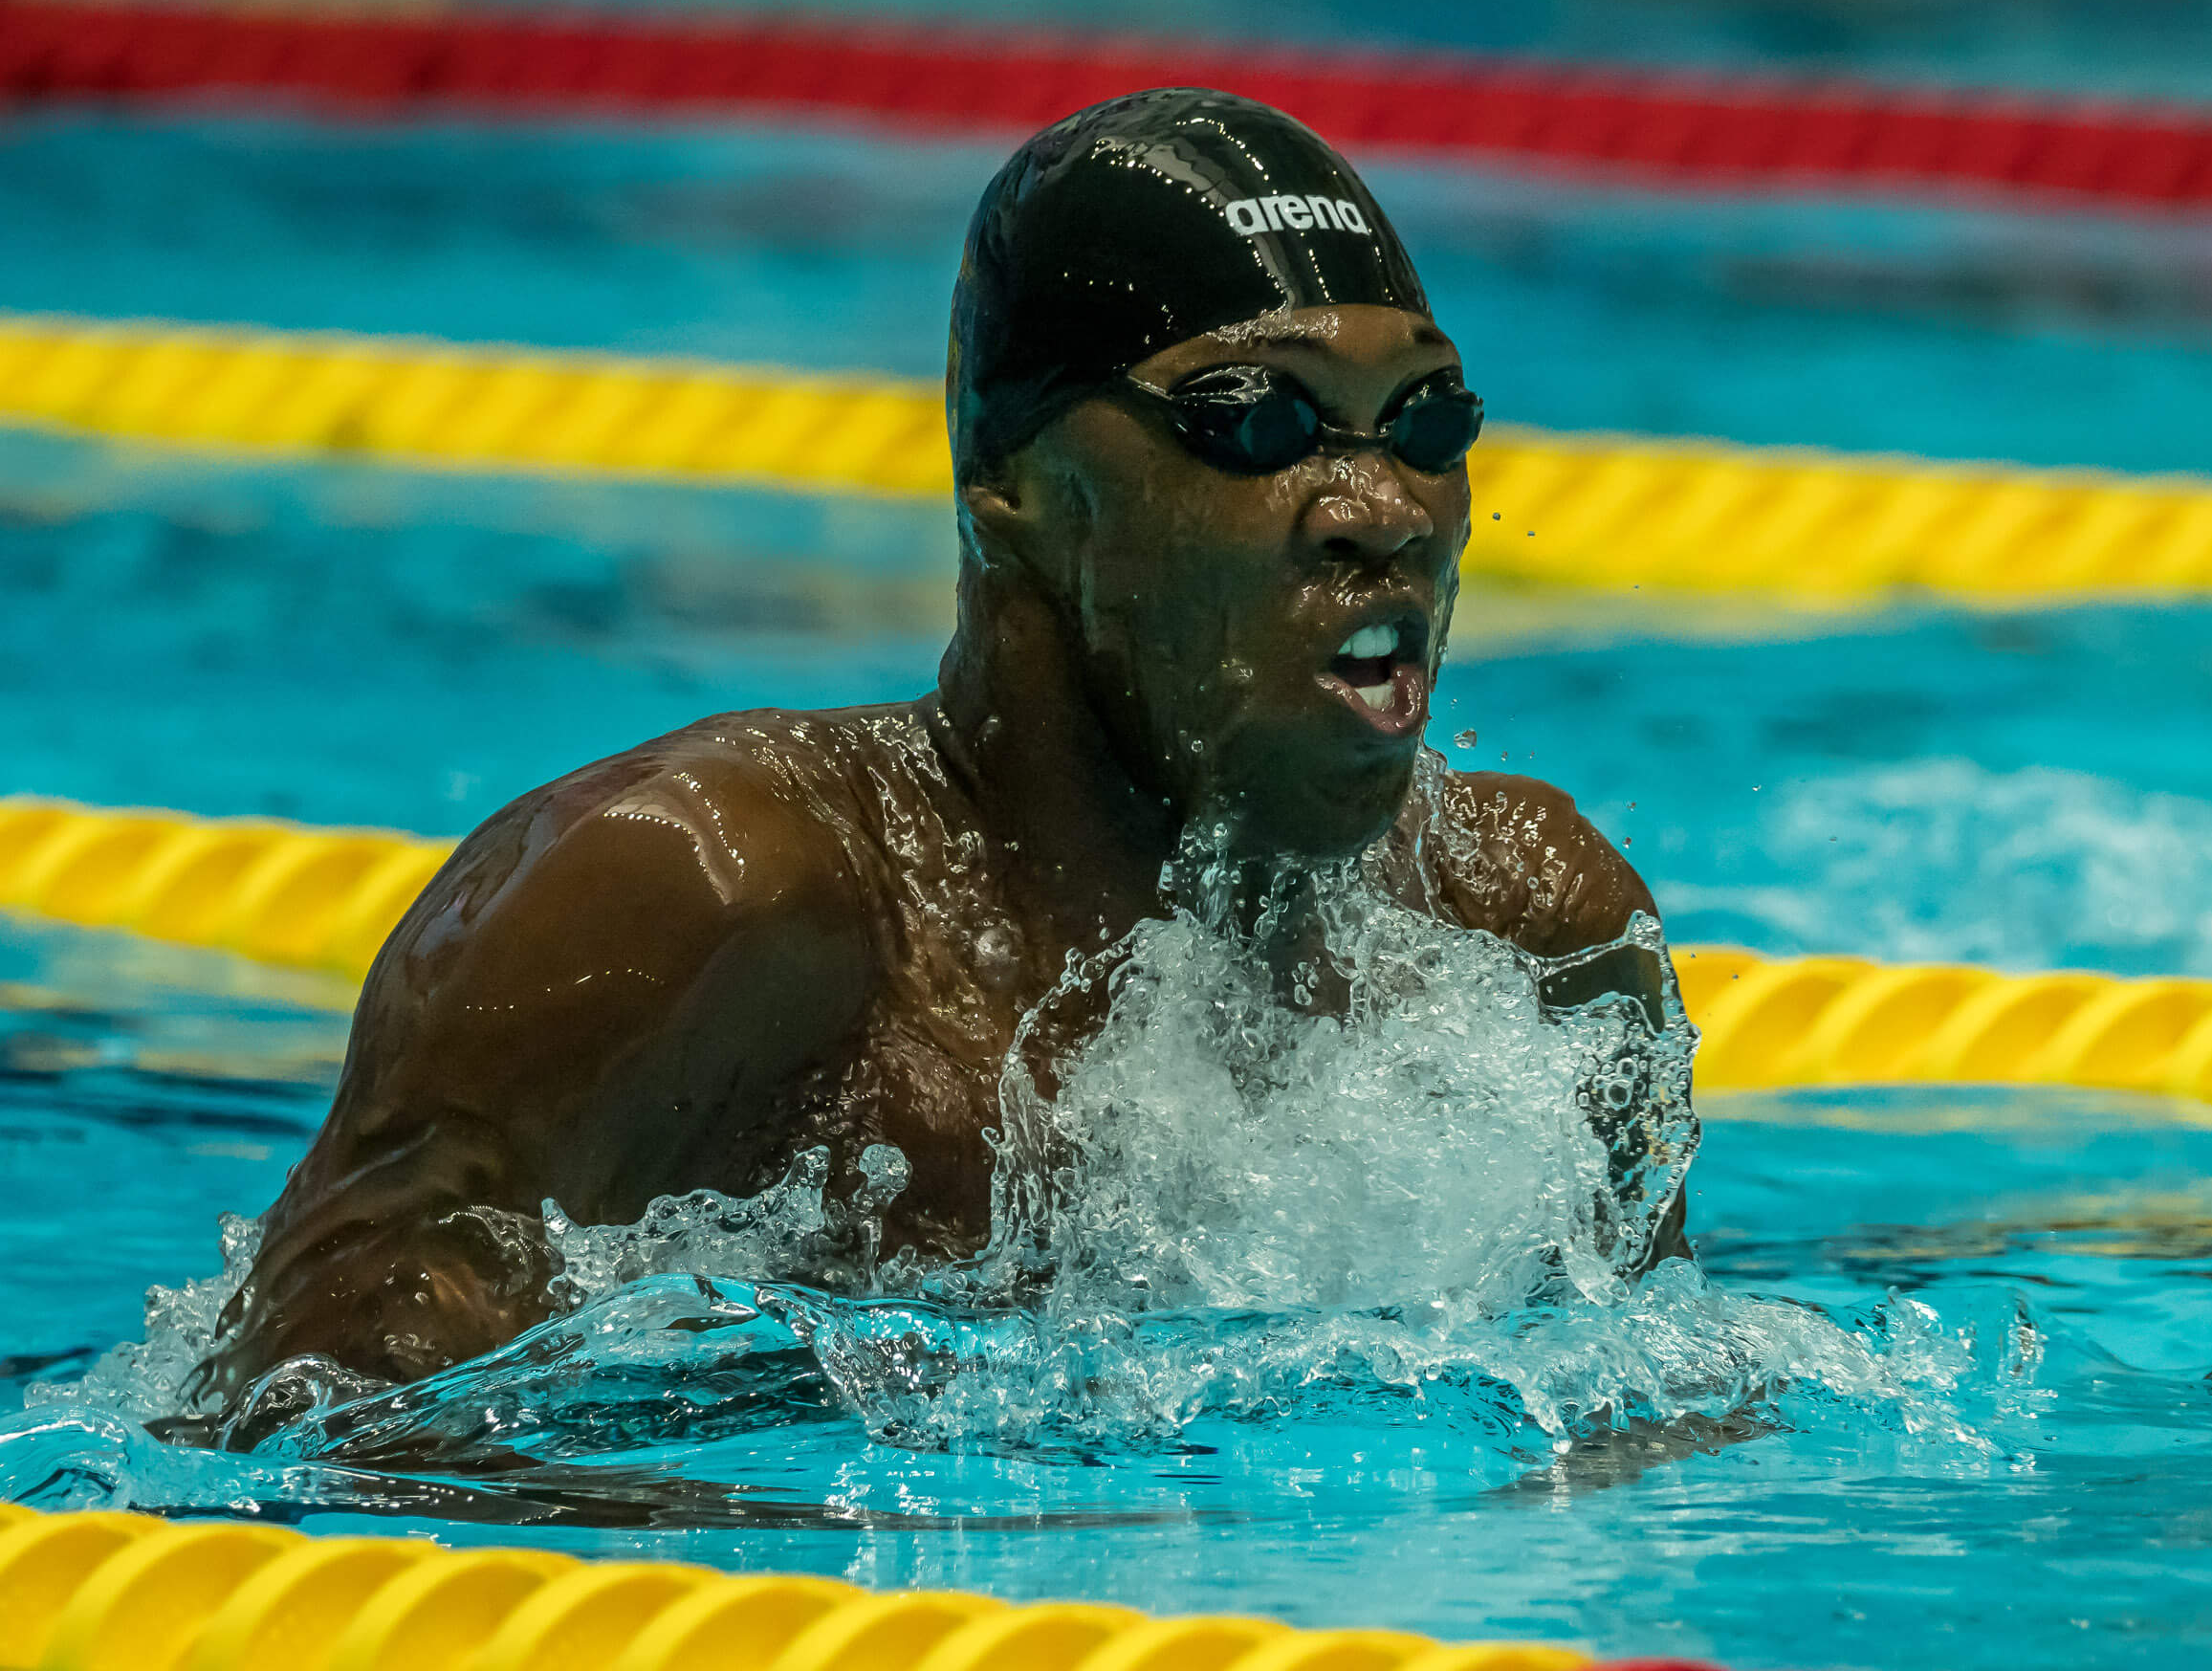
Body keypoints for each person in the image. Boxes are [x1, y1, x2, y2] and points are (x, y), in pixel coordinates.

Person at [201, 88, 1672, 1400]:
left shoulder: (1532, 933)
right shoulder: (713, 900)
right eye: (1258, 420)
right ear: (1014, 487)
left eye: (1425, 421)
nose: (1383, 505)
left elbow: (1645, 1446)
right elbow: (307, 1459)